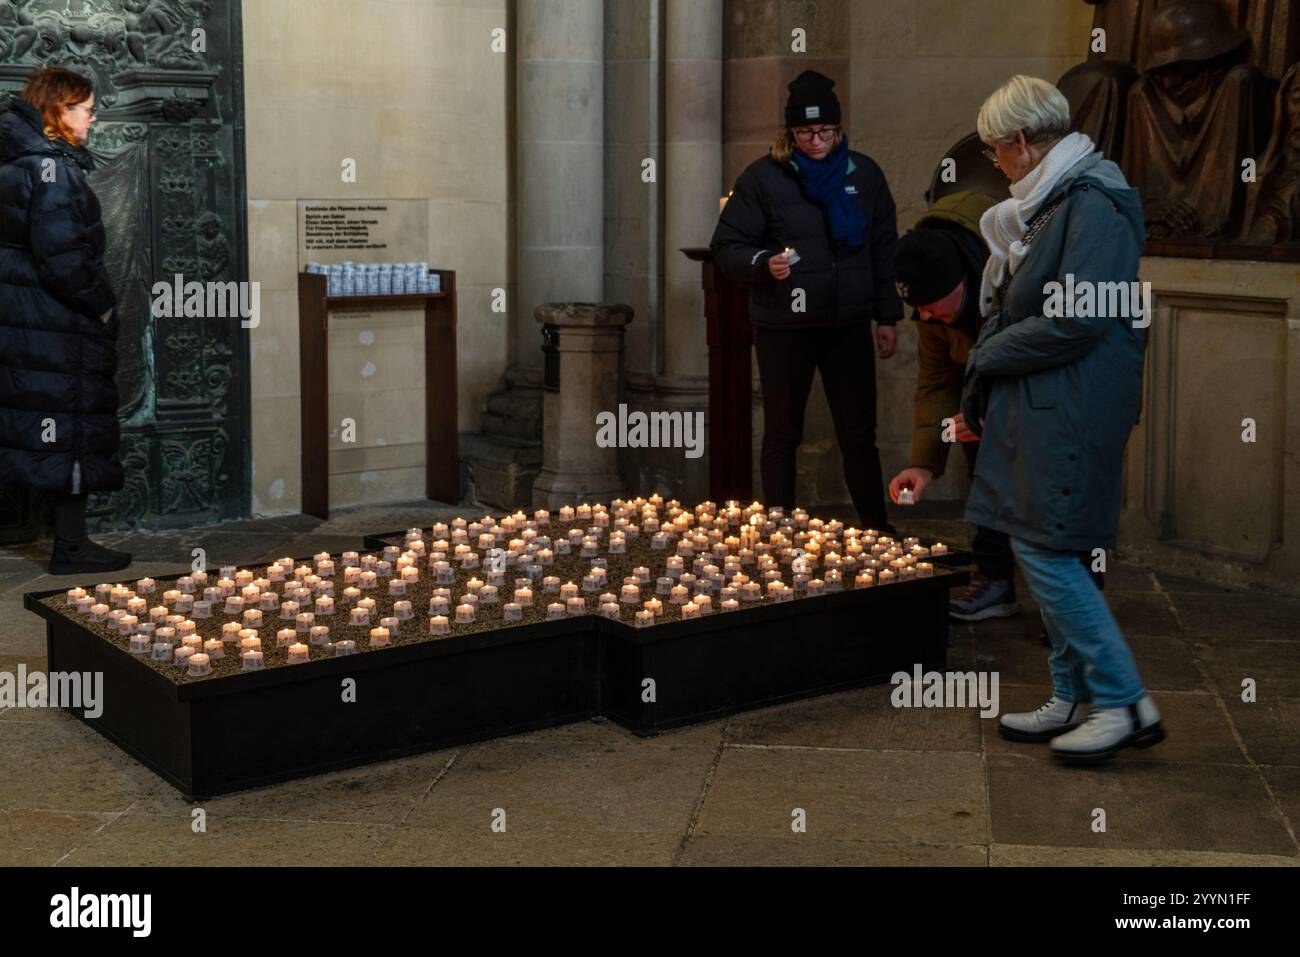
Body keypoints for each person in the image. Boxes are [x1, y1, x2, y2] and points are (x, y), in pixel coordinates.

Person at [964, 75, 1164, 763]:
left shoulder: (1095, 201)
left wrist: (989, 352)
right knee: (1043, 541)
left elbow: (1079, 318)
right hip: (1048, 396)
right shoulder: (1055, 198)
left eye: (996, 150)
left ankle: (1123, 699)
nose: (995, 163)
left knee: (1048, 550)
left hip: (1074, 400)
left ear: (1022, 142)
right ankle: (1073, 693)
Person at [710, 70, 901, 531]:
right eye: (804, 132)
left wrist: (888, 316)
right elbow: (726, 247)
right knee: (782, 434)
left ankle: (876, 528)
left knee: (859, 436)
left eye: (825, 132)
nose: (816, 141)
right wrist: (763, 263)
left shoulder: (865, 173)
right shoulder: (763, 178)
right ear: (789, 133)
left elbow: (884, 250)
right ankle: (780, 528)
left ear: (838, 130)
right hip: (783, 328)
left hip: (848, 325)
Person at [0, 67, 131, 574]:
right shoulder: (51, 168)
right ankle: (71, 547)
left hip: (25, 318)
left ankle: (68, 541)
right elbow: (62, 257)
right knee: (70, 423)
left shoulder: (19, 161)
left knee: (39, 422)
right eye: (86, 108)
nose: (93, 118)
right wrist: (101, 304)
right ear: (60, 110)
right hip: (55, 322)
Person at [886, 190, 1023, 623]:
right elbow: (937, 383)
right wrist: (923, 462)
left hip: (1037, 404)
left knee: (1046, 495)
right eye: (916, 309)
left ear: (963, 282)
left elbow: (1039, 360)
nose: (924, 318)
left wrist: (991, 414)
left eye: (929, 307)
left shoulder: (1014, 275)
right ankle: (994, 580)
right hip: (981, 404)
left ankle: (1071, 613)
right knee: (985, 478)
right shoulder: (933, 300)